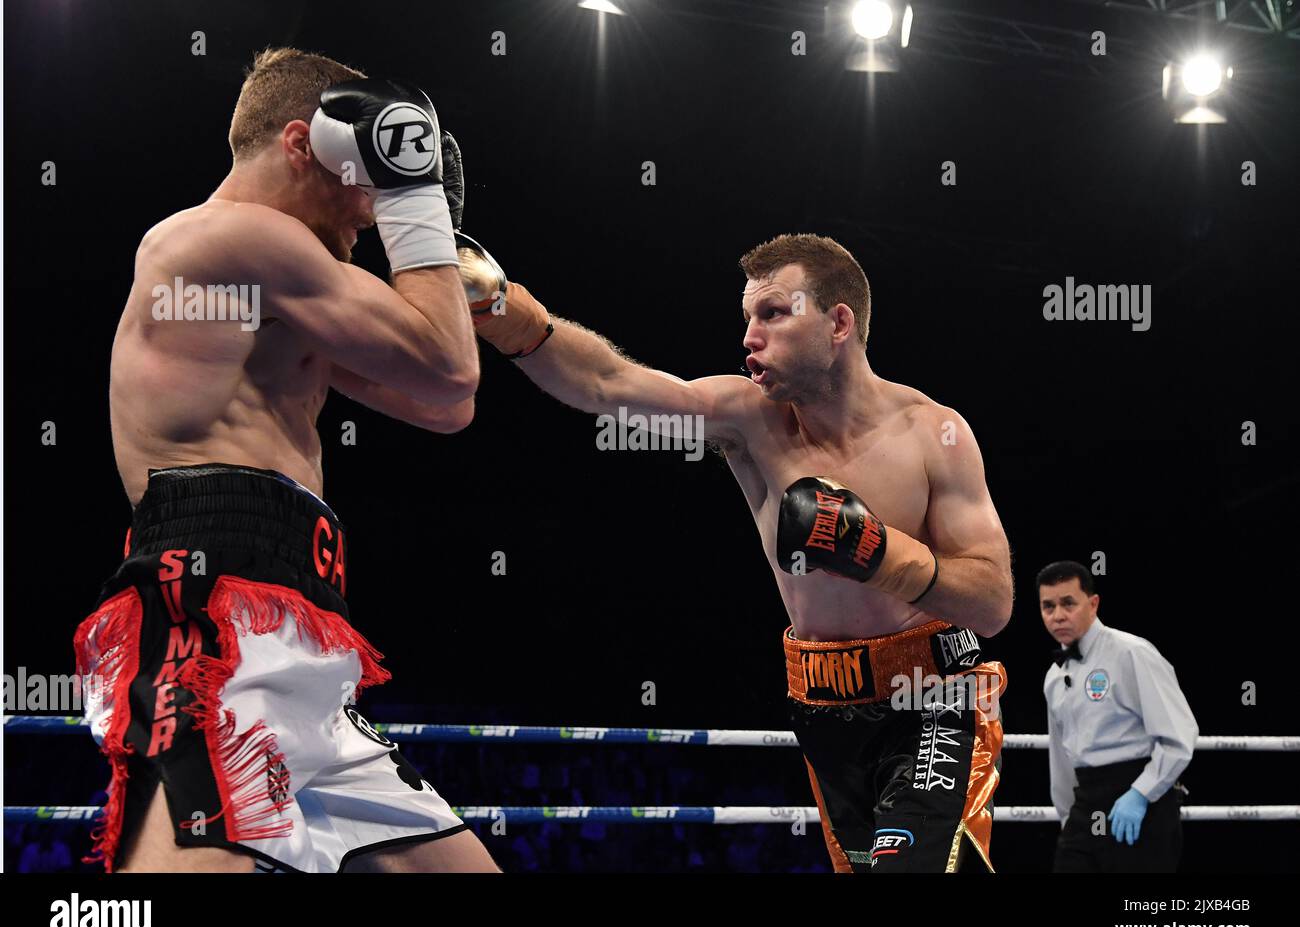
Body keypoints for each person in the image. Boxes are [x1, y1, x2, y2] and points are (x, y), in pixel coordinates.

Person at [463, 233, 1014, 872]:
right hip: (823, 707)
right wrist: (507, 312)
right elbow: (608, 384)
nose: (750, 336)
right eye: (747, 318)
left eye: (773, 314)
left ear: (838, 322)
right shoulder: (748, 420)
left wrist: (882, 555)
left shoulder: (934, 433)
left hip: (932, 697)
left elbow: (994, 600)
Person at [72, 47, 498, 873]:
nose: (371, 211)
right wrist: (417, 199)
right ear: (306, 143)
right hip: (210, 618)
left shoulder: (286, 287)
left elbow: (448, 406)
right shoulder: (231, 239)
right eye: (366, 177)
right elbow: (452, 362)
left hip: (302, 633)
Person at [1037, 561, 1197, 872]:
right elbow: (1061, 758)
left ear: (1093, 603)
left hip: (1141, 794)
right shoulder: (1054, 676)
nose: (1058, 615)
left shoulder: (1132, 653)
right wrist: (1068, 817)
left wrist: (1141, 793)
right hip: (1084, 805)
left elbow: (1179, 734)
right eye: (1048, 606)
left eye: (1068, 603)